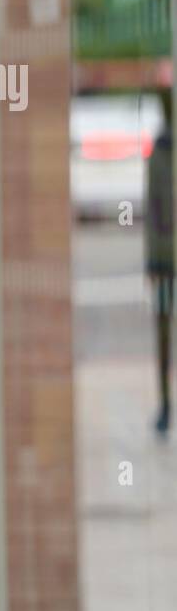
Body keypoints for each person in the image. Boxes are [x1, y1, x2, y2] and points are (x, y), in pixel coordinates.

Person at [145, 94, 173, 435]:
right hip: (165, 260)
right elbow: (153, 210)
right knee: (164, 335)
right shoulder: (159, 153)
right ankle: (166, 402)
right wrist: (152, 259)